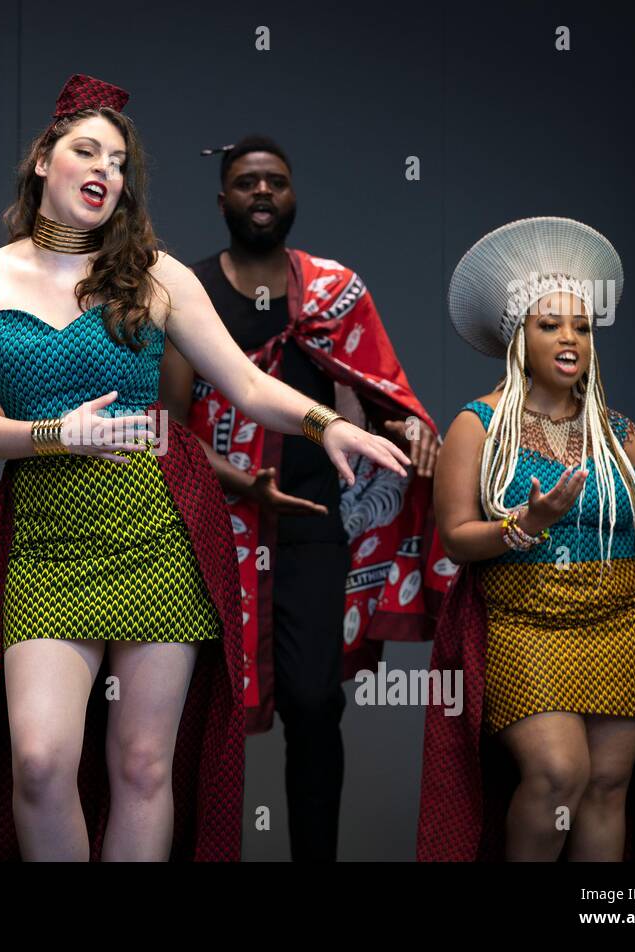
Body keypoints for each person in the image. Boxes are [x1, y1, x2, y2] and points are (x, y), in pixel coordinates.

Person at [0, 74, 411, 862]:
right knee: (39, 762)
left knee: (142, 765)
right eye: (87, 151)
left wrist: (327, 423)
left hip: (157, 534)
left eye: (119, 162)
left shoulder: (158, 274)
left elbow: (246, 385)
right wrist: (55, 435)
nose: (106, 170)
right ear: (43, 161)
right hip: (47, 543)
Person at [418, 216, 635, 861]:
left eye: (583, 327)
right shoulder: (478, 425)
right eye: (550, 325)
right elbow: (456, 539)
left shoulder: (619, 433)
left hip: (620, 623)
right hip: (524, 623)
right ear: (519, 339)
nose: (570, 338)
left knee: (606, 785)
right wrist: (525, 524)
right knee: (557, 775)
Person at [161, 135, 446, 860]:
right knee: (200, 709)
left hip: (315, 524)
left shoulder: (333, 292)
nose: (262, 192)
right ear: (221, 200)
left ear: (292, 197)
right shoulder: (191, 294)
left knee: (315, 703)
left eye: (276, 181)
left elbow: (385, 397)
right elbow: (169, 428)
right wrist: (240, 482)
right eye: (246, 182)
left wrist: (412, 429)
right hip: (214, 525)